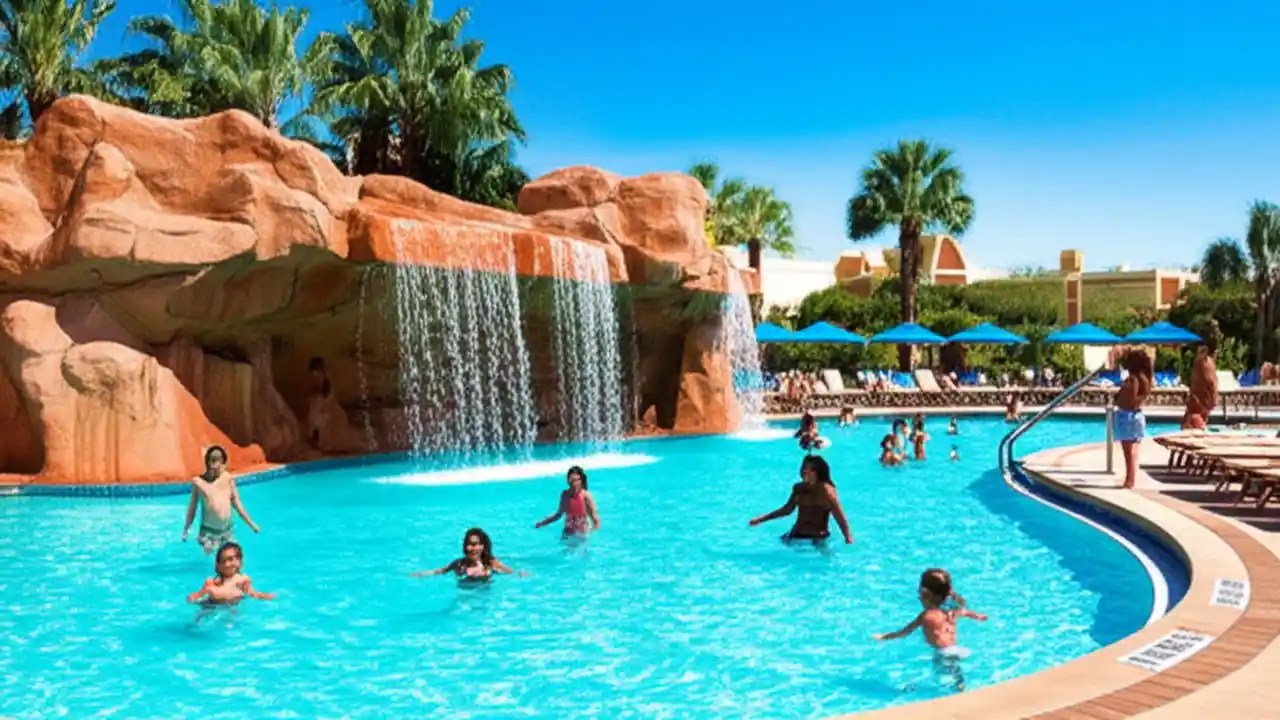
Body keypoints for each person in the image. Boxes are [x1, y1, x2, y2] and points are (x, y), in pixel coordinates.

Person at [873, 570, 987, 690]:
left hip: (943, 653)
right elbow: (965, 612)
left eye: (920, 596)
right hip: (956, 649)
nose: (919, 598)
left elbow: (905, 631)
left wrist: (885, 636)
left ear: (928, 596)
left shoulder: (927, 615)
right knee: (954, 673)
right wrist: (977, 616)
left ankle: (912, 689)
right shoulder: (952, 610)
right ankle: (961, 685)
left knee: (940, 679)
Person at [749, 455, 854, 544]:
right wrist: (760, 519)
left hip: (817, 537)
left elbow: (839, 516)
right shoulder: (798, 488)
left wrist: (848, 537)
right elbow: (787, 509)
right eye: (804, 467)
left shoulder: (827, 491)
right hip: (796, 534)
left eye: (810, 469)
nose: (805, 471)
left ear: (818, 472)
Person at [181, 446, 260, 554]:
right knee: (211, 559)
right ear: (212, 463)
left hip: (227, 532)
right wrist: (186, 529)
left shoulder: (228, 478)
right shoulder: (199, 482)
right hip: (208, 535)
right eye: (214, 461)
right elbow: (192, 508)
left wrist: (251, 524)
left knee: (233, 557)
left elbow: (237, 505)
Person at [411, 528, 520, 581]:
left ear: (482, 546)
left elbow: (510, 572)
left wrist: (519, 574)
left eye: (475, 544)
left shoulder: (490, 562)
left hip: (484, 599)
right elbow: (440, 571)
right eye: (468, 544)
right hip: (463, 599)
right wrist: (421, 574)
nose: (471, 548)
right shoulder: (459, 564)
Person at [187, 542, 274, 605]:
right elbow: (194, 597)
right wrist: (193, 597)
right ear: (218, 565)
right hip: (210, 606)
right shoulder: (211, 582)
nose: (227, 564)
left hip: (231, 608)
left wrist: (266, 596)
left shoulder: (243, 580)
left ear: (239, 561)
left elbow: (252, 593)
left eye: (231, 559)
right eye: (223, 561)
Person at [1116, 350, 1154, 489]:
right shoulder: (1146, 378)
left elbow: (1129, 398)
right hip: (1137, 415)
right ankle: (1131, 478)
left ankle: (1129, 480)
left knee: (1128, 452)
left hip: (1127, 415)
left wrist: (1120, 393)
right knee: (1134, 451)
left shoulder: (1133, 379)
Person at [534, 466, 600, 535]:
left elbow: (596, 520)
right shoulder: (565, 495)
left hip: (582, 533)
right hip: (568, 532)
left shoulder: (586, 496)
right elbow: (558, 515)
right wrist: (542, 523)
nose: (574, 483)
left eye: (577, 480)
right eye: (572, 480)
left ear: (581, 481)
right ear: (568, 481)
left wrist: (592, 534)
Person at [1183, 342, 1218, 430]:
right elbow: (1210, 384)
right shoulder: (1205, 363)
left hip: (1196, 410)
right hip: (1197, 411)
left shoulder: (1201, 363)